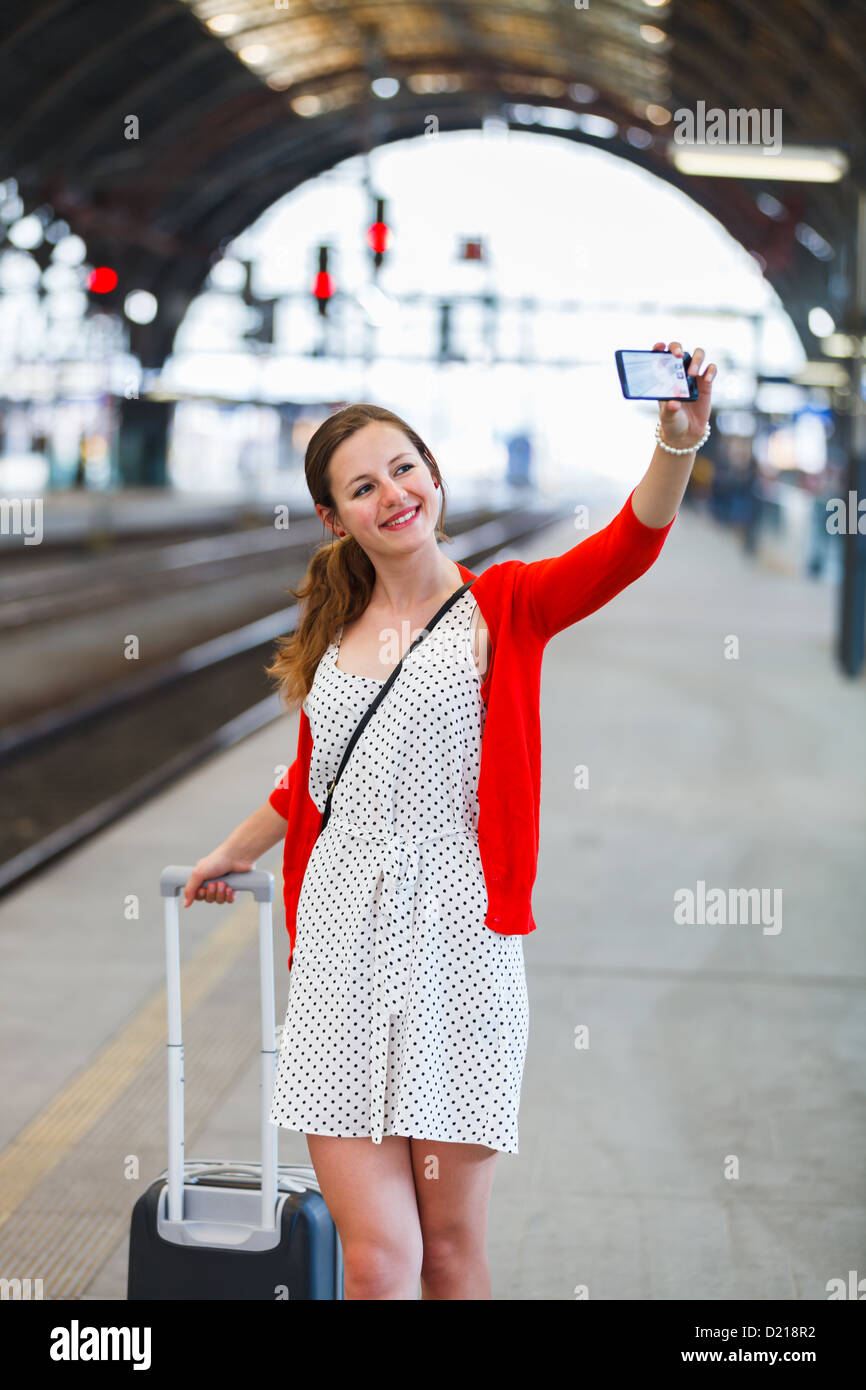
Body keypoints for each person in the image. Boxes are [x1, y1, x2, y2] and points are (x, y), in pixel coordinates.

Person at [182, 340, 716, 1299]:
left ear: (431, 474)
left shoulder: (505, 606)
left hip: (459, 961)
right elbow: (310, 783)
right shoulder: (332, 631)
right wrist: (226, 854)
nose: (392, 494)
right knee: (379, 1263)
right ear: (333, 518)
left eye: (403, 468)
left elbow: (626, 546)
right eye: (362, 487)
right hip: (339, 961)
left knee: (451, 1257)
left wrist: (676, 442)